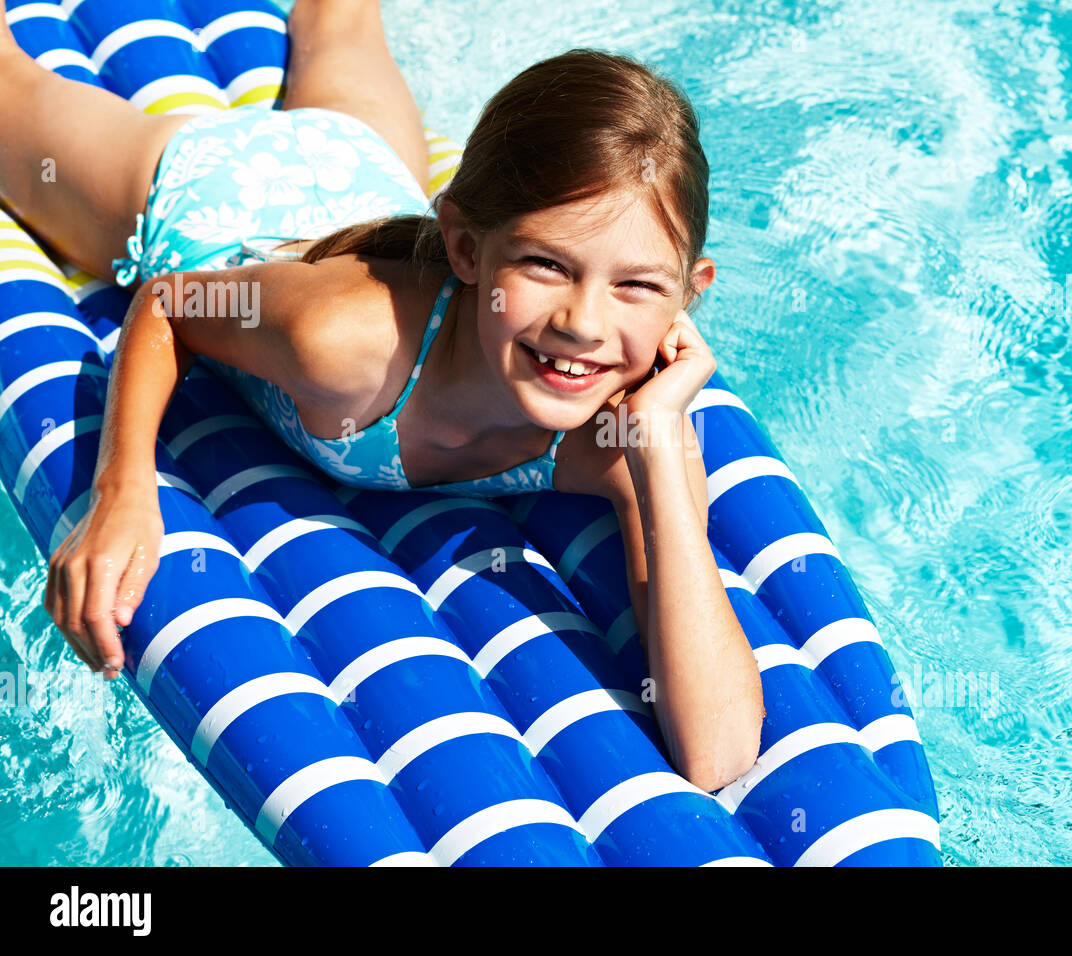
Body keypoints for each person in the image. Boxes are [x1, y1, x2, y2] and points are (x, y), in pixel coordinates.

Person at [0, 0, 762, 791]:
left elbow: (718, 749)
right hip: (219, 197)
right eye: (545, 266)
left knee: (340, 24)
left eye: (638, 286)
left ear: (689, 294)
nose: (584, 325)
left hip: (365, 171)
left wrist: (663, 453)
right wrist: (122, 491)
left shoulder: (622, 425)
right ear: (469, 247)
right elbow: (171, 304)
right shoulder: (344, 344)